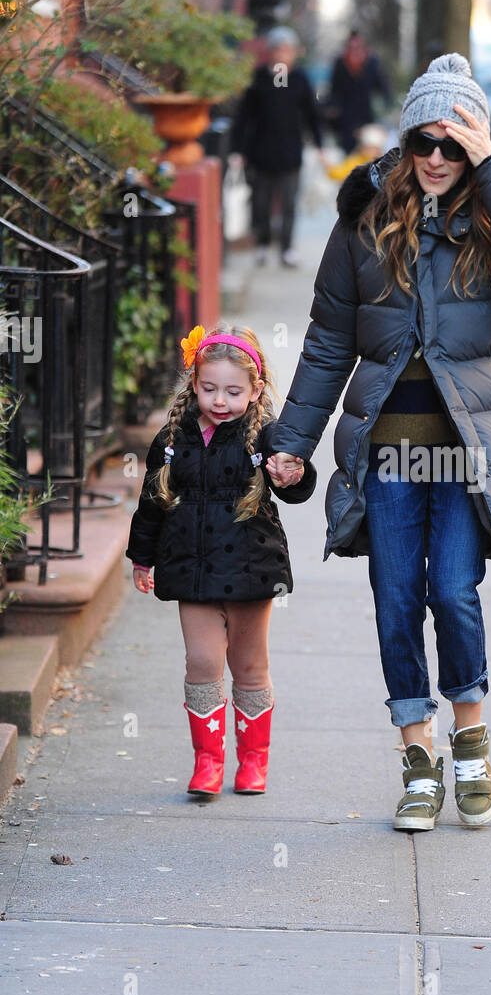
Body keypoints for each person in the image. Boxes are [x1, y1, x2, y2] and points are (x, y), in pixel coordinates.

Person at [268, 53, 491, 832]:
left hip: (467, 453)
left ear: (472, 149)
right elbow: (330, 340)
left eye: (453, 145)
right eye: (424, 142)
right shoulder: (364, 223)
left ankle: (470, 740)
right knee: (397, 597)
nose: (437, 159)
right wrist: (294, 438)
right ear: (404, 143)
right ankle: (417, 758)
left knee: (453, 594)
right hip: (390, 452)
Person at [125, 324, 316, 797]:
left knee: (249, 664)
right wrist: (142, 559)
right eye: (209, 388)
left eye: (233, 391)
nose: (220, 400)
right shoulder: (173, 438)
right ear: (193, 383)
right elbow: (151, 502)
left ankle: (253, 764)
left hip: (253, 569)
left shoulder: (265, 438)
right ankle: (208, 763)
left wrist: (294, 473)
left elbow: (297, 487)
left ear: (255, 390)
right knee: (202, 660)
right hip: (190, 568)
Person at [229, 28, 327, 268]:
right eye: (279, 49)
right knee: (260, 203)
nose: (283, 55)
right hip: (260, 152)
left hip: (290, 152)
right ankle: (262, 244)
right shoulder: (258, 78)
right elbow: (244, 116)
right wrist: (238, 150)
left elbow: (312, 115)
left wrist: (319, 144)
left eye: (288, 50)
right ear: (270, 53)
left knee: (289, 204)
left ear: (294, 54)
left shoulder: (301, 79)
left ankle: (287, 248)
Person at [328, 29, 392, 156]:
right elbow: (334, 90)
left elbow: (383, 87)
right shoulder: (340, 63)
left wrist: (385, 107)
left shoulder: (372, 63)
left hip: (367, 116)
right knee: (349, 154)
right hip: (346, 119)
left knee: (368, 153)